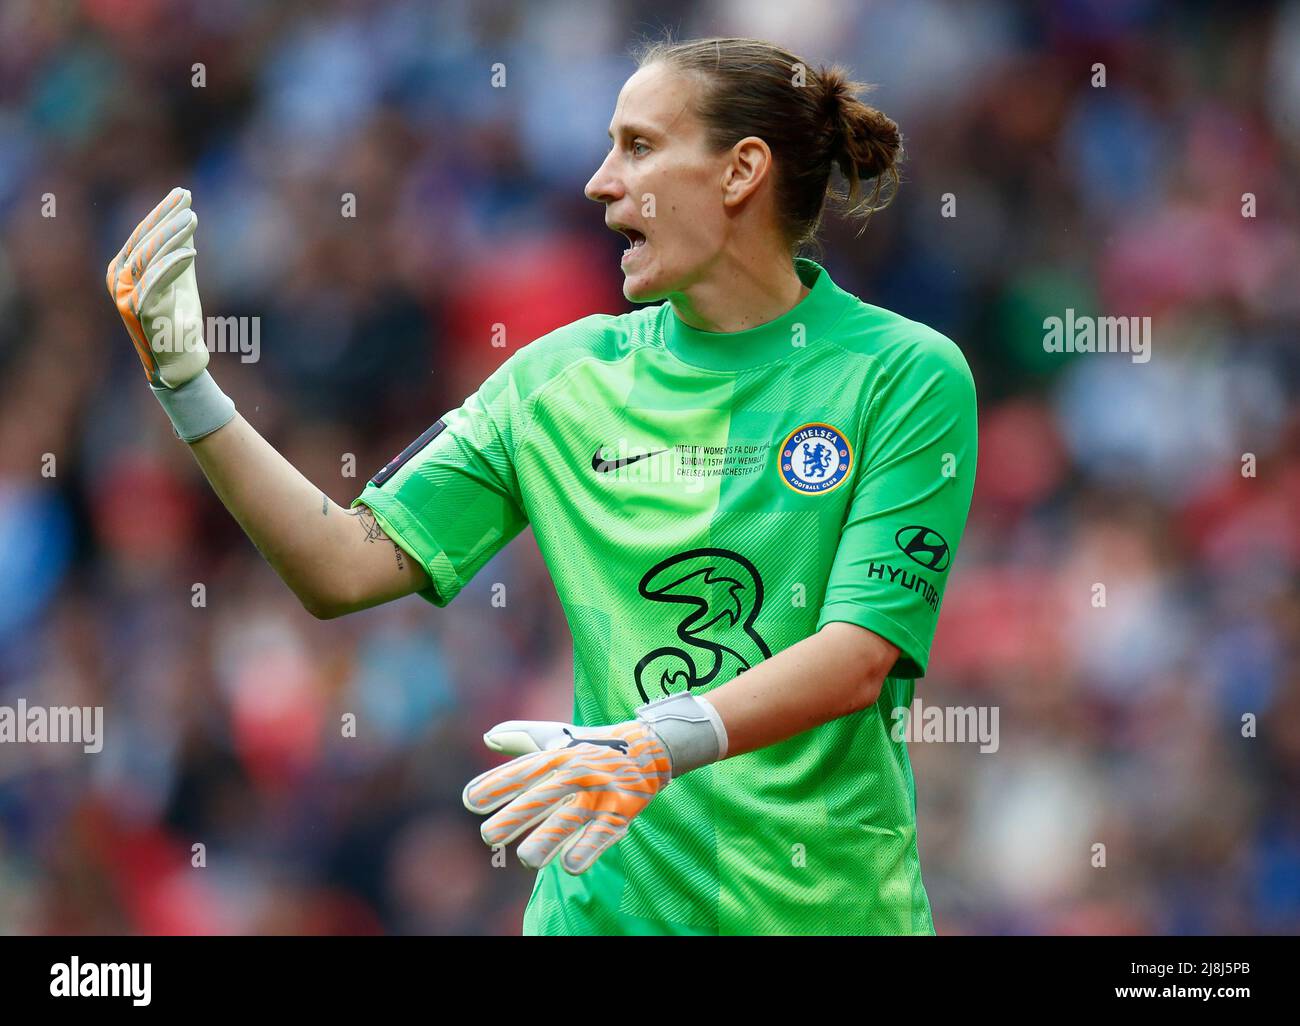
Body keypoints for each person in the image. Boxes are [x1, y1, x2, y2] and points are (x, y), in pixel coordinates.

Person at [106, 35, 977, 936]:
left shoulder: (902, 375)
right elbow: (341, 566)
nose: (601, 182)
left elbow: (857, 656)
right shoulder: (559, 381)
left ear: (740, 172)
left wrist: (650, 745)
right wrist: (189, 387)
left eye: (638, 147)